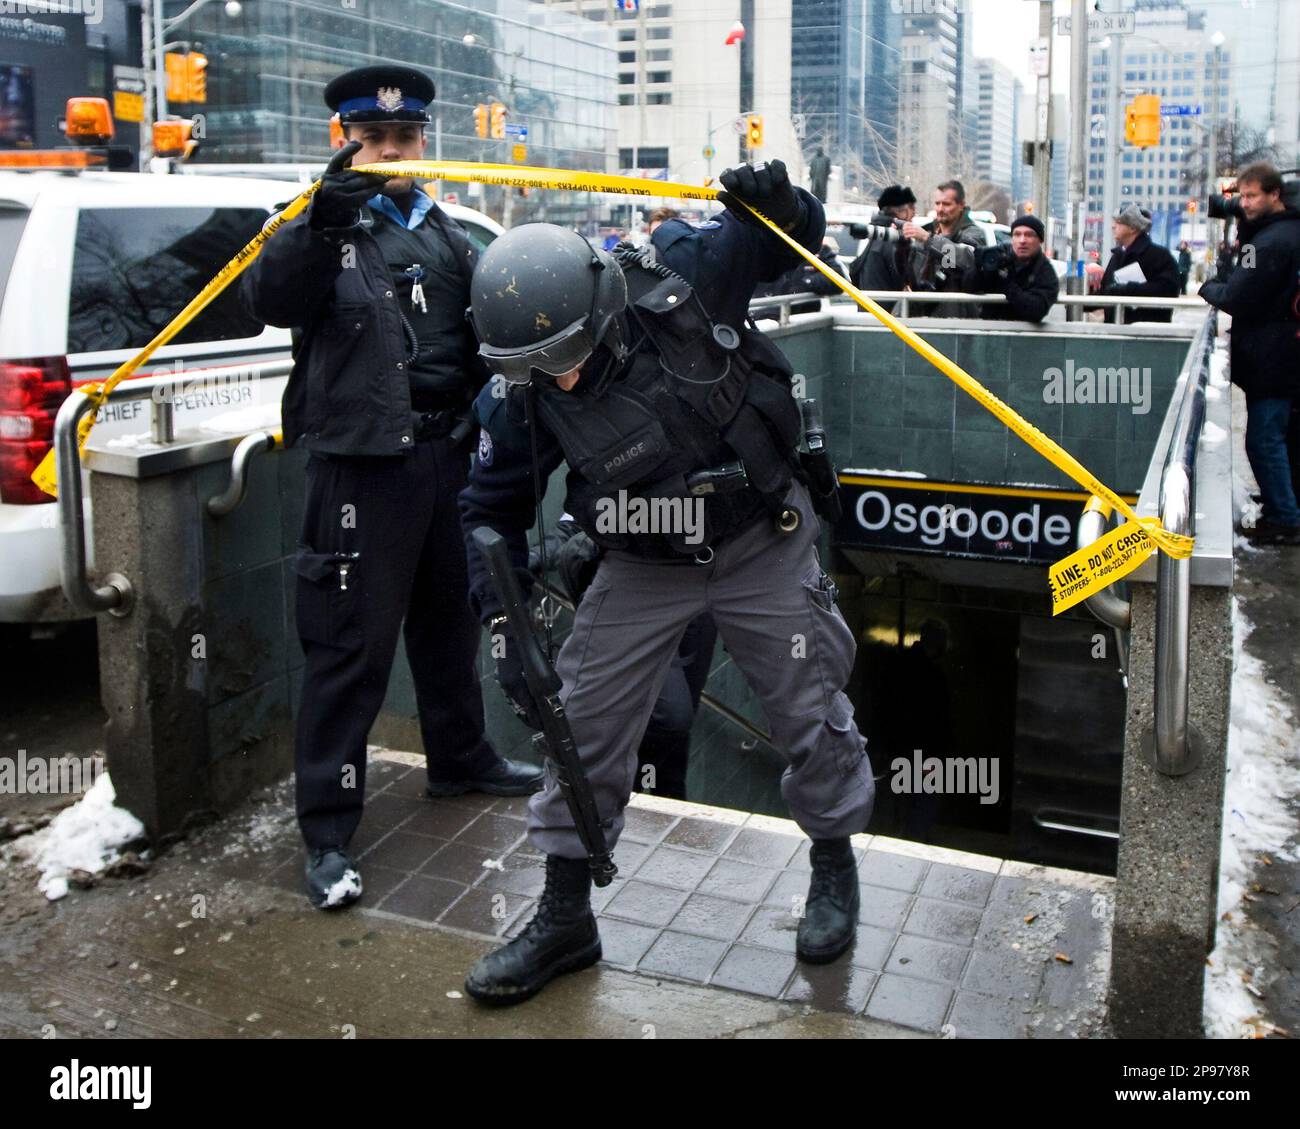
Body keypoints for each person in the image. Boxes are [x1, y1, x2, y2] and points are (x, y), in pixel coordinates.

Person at [458, 160, 875, 1004]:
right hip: (642, 562)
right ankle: (567, 916)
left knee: (807, 702)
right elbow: (486, 510)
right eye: (538, 366)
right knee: (582, 725)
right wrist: (505, 623)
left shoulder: (681, 277)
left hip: (761, 535)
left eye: (567, 354)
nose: (559, 377)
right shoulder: (521, 393)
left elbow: (795, 239)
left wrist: (779, 201)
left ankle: (834, 862)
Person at [240, 64, 541, 911]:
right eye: (371, 139)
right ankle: (328, 829)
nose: (389, 151)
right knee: (347, 651)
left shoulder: (449, 235)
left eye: (403, 138)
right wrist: (322, 215)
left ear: (423, 143)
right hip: (361, 473)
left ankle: (460, 760)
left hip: (450, 462)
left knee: (450, 624)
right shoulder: (314, 226)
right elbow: (270, 297)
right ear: (345, 142)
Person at [1199, 162, 1300, 545]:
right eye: (1241, 195)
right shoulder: (1287, 232)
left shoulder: (1268, 243)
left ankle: (1284, 517)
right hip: (1286, 353)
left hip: (1272, 360)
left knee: (1263, 440)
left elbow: (1238, 296)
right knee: (1287, 436)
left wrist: (1210, 287)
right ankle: (1288, 506)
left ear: (1275, 195)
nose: (1245, 203)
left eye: (1253, 195)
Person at [902, 179, 985, 317]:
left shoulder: (972, 233)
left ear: (961, 205)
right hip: (922, 317)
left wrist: (929, 240)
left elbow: (966, 260)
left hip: (956, 319)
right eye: (937, 203)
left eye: (946, 204)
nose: (940, 209)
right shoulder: (926, 230)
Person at [1097, 204, 1180, 323]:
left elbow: (1168, 289)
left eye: (1119, 222)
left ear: (1133, 228)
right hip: (1114, 330)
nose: (1113, 226)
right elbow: (1106, 290)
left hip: (1147, 332)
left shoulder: (1160, 256)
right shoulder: (1117, 256)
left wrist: (1128, 290)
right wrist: (1084, 301)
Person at [972, 214, 1059, 323]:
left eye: (1029, 235)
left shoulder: (1045, 272)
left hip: (1023, 335)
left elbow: (1036, 310)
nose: (1022, 240)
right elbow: (968, 286)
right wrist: (979, 267)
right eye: (1017, 234)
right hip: (990, 332)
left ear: (1040, 241)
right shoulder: (1001, 259)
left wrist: (1006, 284)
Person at [848, 184, 917, 305]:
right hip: (886, 316)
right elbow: (905, 280)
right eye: (912, 208)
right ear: (900, 212)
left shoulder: (870, 234)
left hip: (868, 311)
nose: (914, 213)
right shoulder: (891, 240)